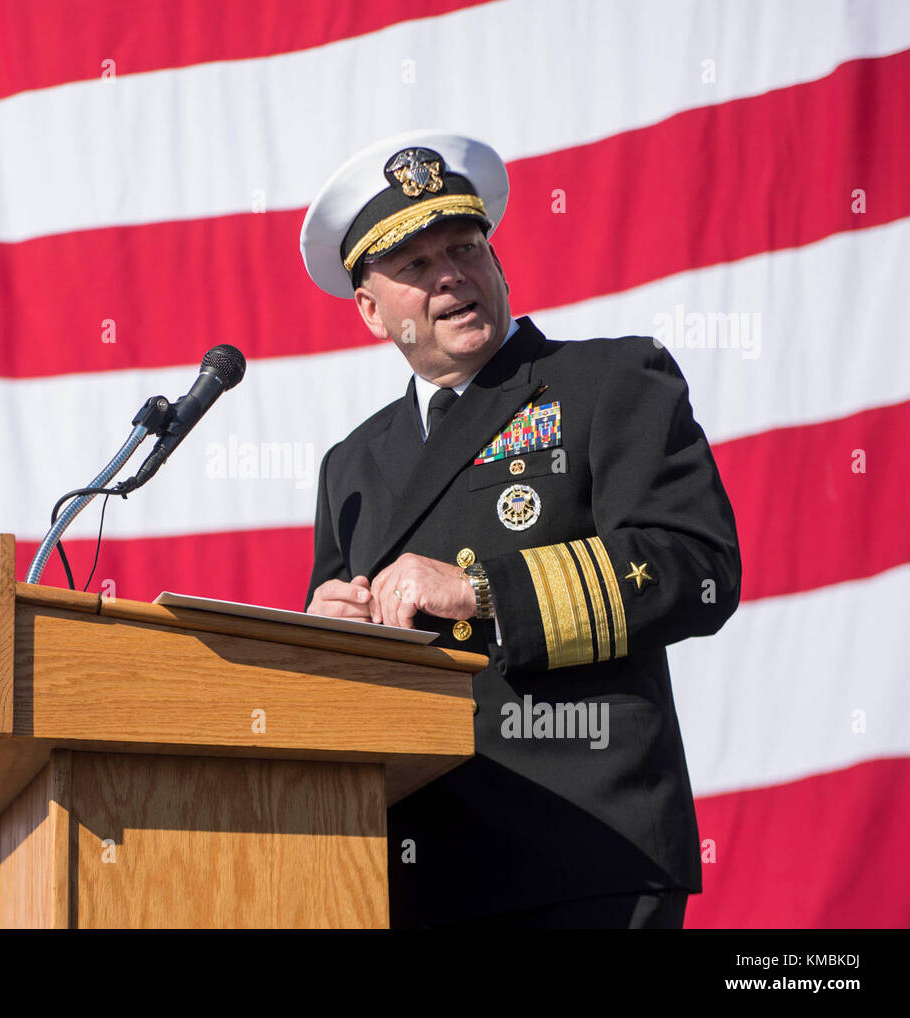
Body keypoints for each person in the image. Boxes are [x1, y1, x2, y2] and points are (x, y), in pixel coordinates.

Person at [299, 130, 742, 928]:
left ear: (498, 263)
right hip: (411, 874)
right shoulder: (351, 466)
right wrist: (323, 642)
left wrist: (480, 590)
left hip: (583, 854)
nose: (452, 278)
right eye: (417, 267)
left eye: (465, 248)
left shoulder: (609, 381)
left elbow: (696, 566)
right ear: (370, 308)